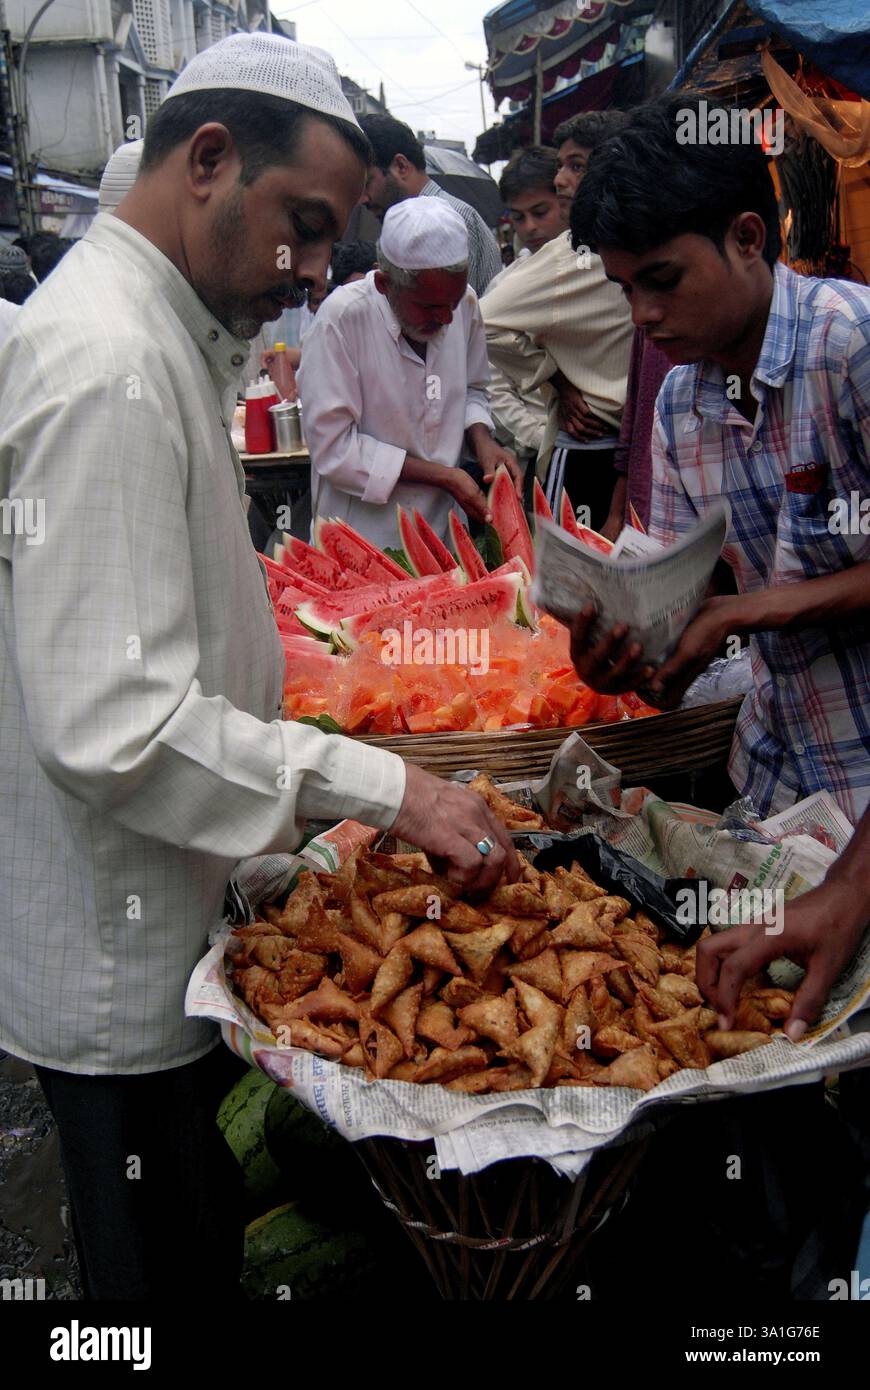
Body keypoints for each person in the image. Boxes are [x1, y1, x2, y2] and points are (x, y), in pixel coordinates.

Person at [0, 32, 518, 1301]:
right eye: (305, 225)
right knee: (150, 1285)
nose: (320, 270)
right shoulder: (108, 362)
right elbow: (116, 723)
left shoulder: (153, 337)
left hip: (167, 921)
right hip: (124, 974)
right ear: (210, 162)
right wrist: (389, 792)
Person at [569, 94, 870, 822]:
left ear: (745, 237)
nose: (642, 313)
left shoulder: (850, 346)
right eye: (625, 289)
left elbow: (730, 612)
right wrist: (634, 663)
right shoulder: (678, 407)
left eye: (662, 280)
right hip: (775, 784)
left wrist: (752, 610)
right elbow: (687, 616)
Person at [298, 198, 521, 552]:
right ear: (385, 284)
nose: (447, 318)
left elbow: (473, 389)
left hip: (445, 536)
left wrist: (482, 440)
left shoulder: (465, 304)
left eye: (452, 302)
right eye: (430, 306)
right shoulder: (340, 319)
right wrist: (445, 477)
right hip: (365, 541)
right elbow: (334, 449)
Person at [481, 119, 633, 530]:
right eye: (563, 167)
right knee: (572, 582)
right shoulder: (565, 258)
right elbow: (481, 322)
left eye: (576, 166)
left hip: (638, 450)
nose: (563, 179)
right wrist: (556, 381)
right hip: (590, 446)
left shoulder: (623, 242)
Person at [482, 147, 566, 474]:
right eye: (519, 217)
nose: (530, 227)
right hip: (541, 458)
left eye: (540, 212)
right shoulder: (505, 289)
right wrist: (544, 437)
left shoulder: (603, 272)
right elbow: (493, 386)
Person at [358, 113, 502, 297]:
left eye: (367, 183)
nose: (362, 199)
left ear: (401, 166)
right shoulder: (401, 229)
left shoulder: (449, 222)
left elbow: (450, 320)